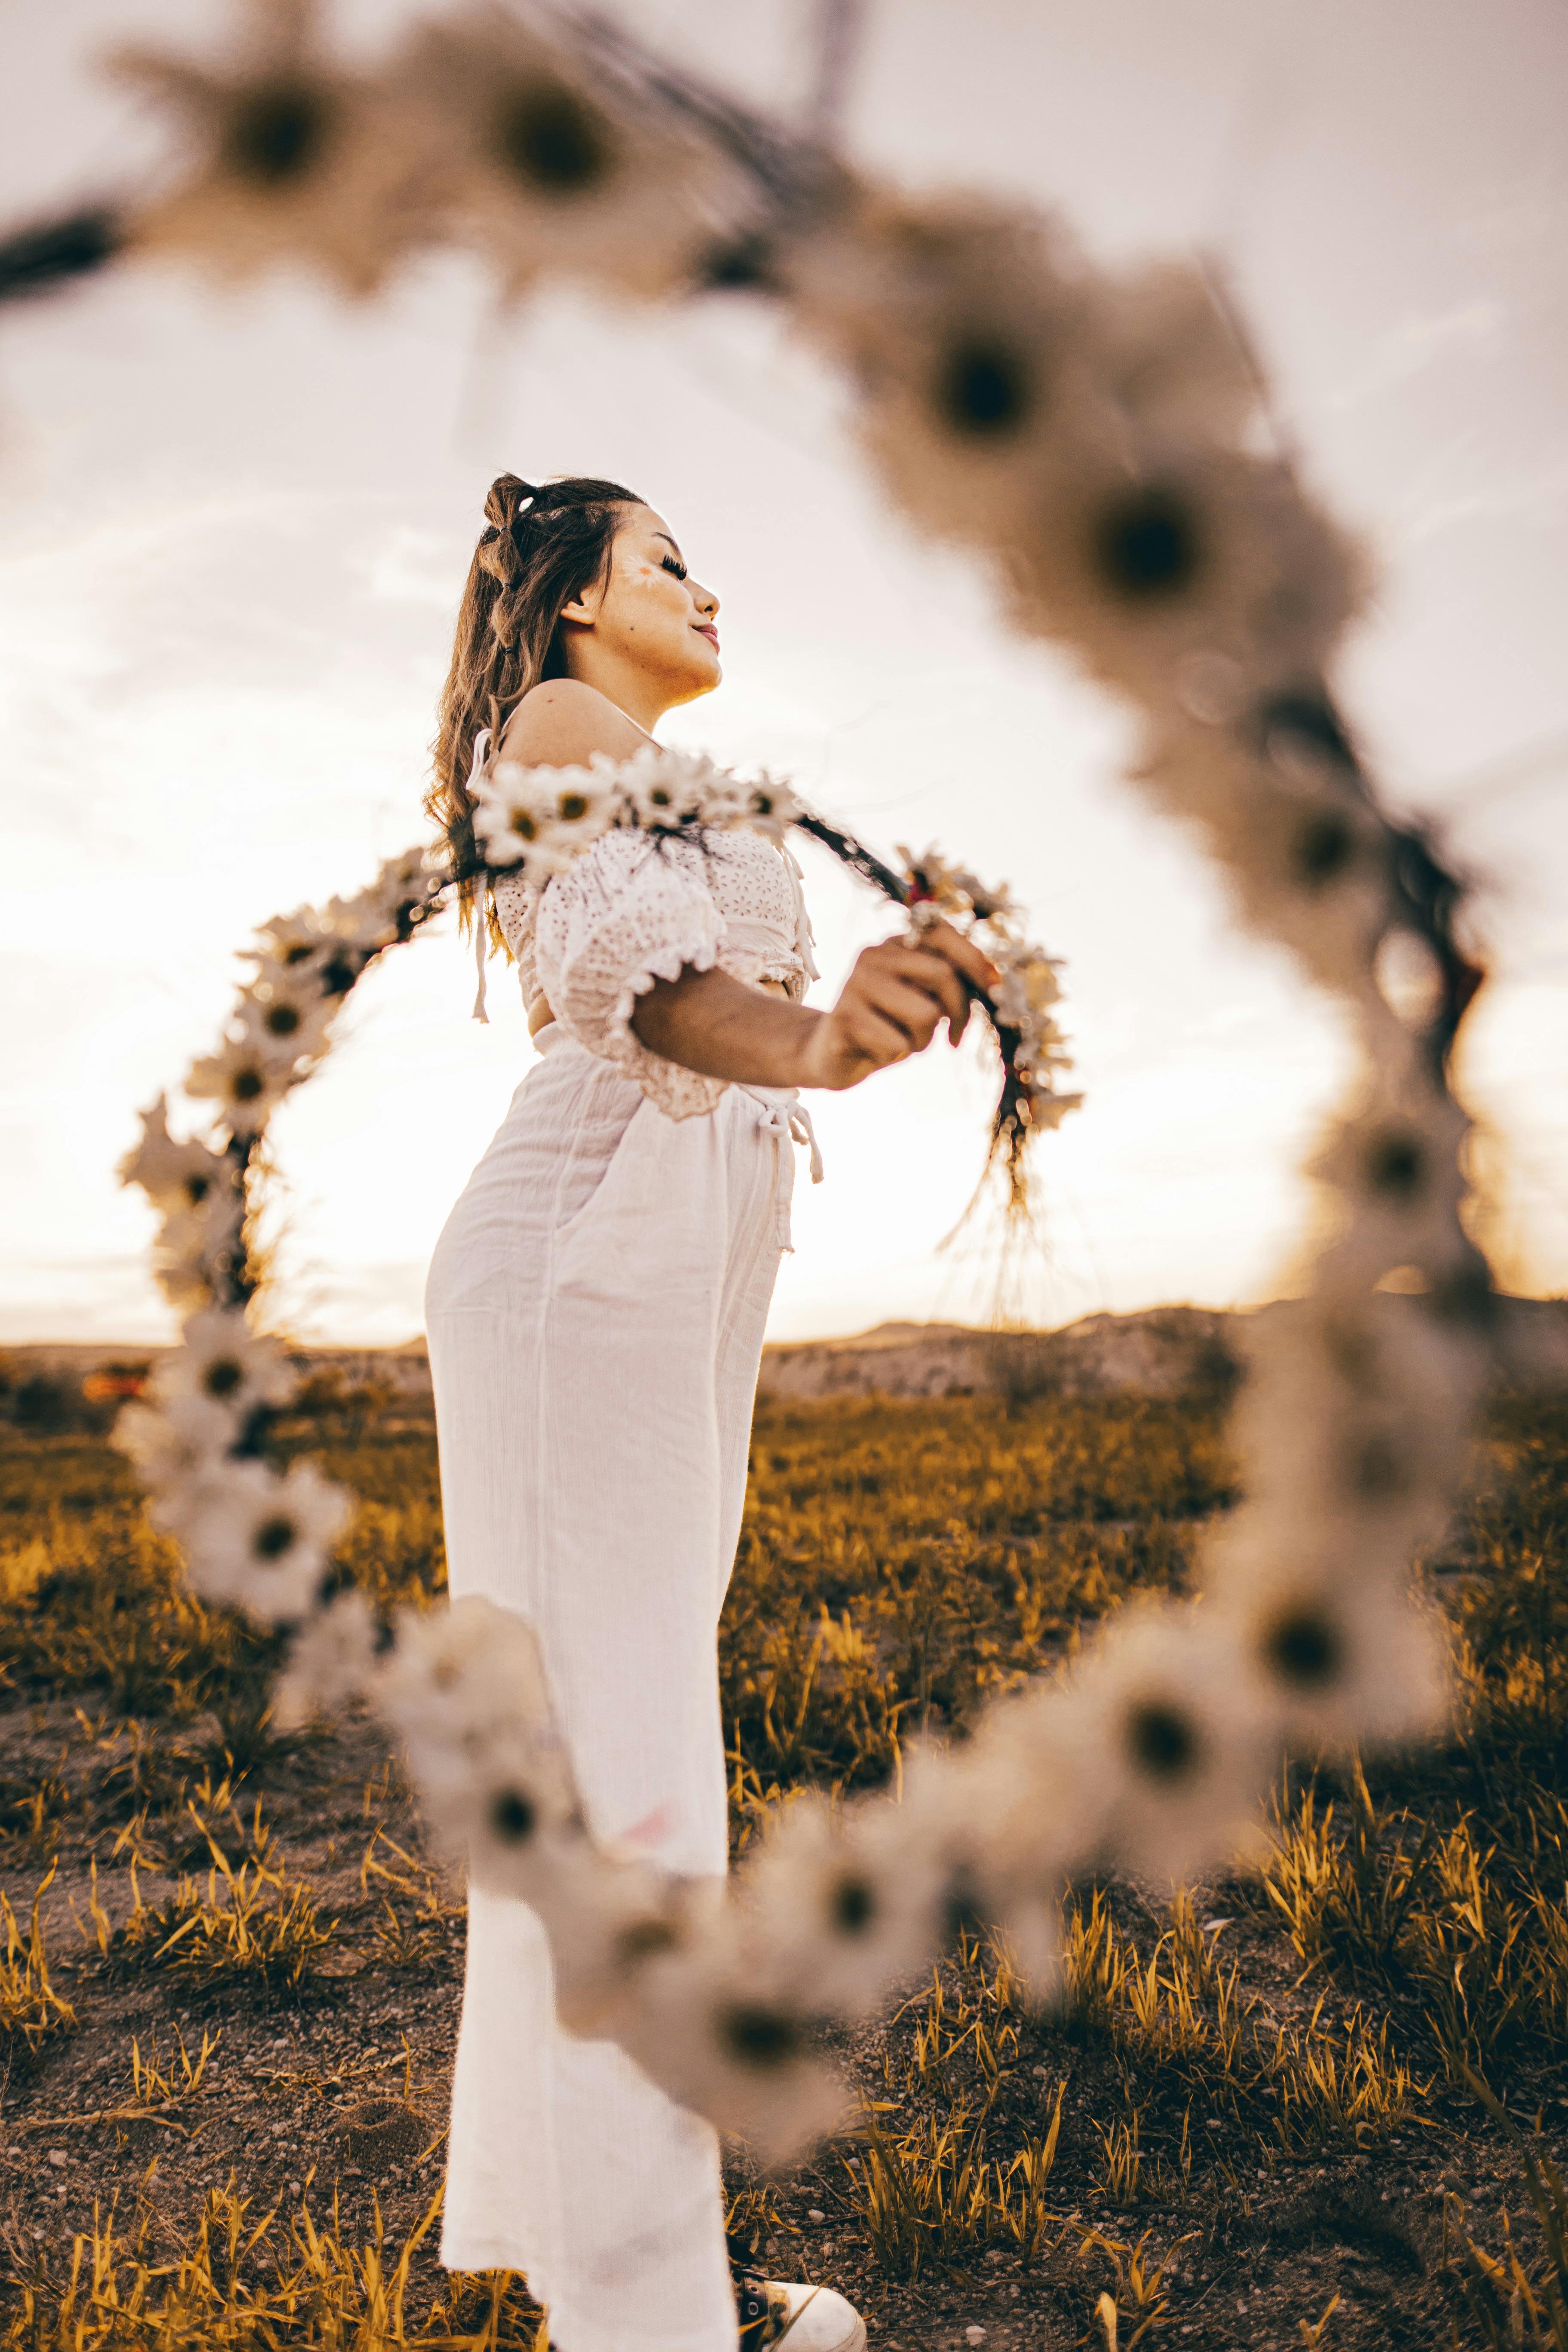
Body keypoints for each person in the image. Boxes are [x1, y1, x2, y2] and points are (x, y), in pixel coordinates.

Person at [423, 472, 993, 2352]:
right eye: (663, 555)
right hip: (582, 1269)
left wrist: (852, 1021)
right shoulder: (562, 724)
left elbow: (705, 990)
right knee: (629, 1796)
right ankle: (660, 2318)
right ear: (578, 597)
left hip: (634, 1292)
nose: (702, 580)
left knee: (610, 1786)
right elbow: (644, 989)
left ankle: (631, 2267)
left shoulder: (638, 751)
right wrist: (825, 1042)